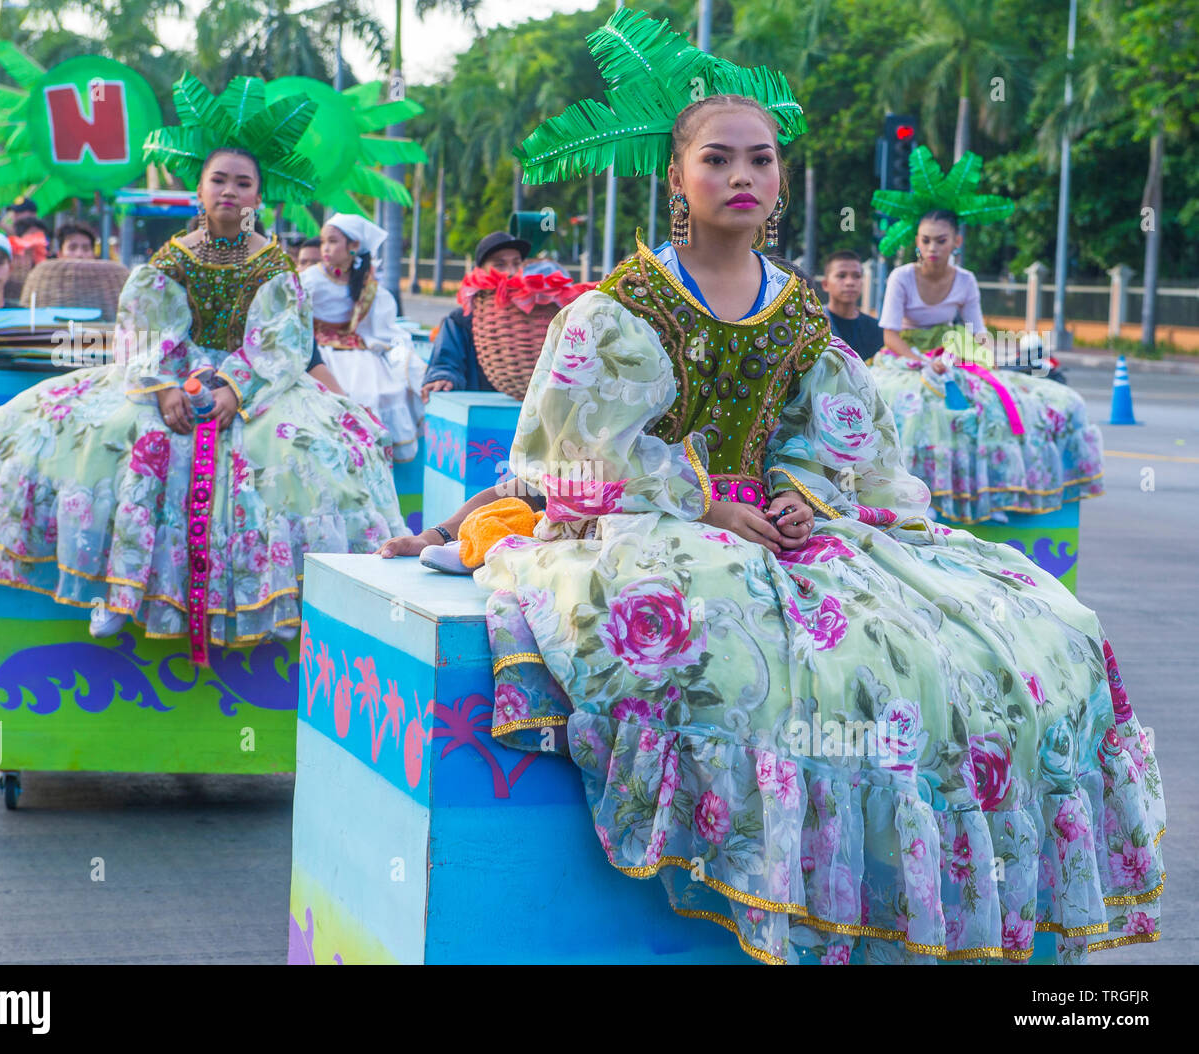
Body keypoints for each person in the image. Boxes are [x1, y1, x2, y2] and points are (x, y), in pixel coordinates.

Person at [378, 35, 1162, 964]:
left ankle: (907, 898)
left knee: (996, 636)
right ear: (679, 178)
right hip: (653, 521)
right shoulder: (622, 306)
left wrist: (799, 493)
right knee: (730, 649)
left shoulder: (798, 309)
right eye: (717, 159)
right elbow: (582, 454)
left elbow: (830, 436)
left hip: (787, 523)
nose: (742, 175)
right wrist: (707, 507)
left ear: (781, 183)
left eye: (762, 159)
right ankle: (751, 866)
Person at [0, 146, 405, 655]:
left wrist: (236, 388)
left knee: (301, 453)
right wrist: (165, 386)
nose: (229, 191)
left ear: (258, 195)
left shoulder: (276, 264)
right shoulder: (173, 256)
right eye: (219, 180)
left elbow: (281, 341)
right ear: (200, 190)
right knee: (111, 437)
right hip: (173, 374)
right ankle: (118, 590)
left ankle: (275, 597)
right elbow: (147, 328)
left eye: (242, 182)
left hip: (258, 382)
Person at [873, 210, 1103, 524]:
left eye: (941, 241)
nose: (933, 248)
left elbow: (977, 334)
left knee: (989, 402)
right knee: (921, 404)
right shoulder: (901, 277)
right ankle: (921, 498)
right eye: (926, 240)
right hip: (906, 356)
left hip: (952, 351)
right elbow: (890, 335)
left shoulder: (966, 280)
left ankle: (992, 497)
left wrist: (976, 363)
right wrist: (925, 363)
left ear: (957, 241)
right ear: (917, 242)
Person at [302, 214, 423, 460]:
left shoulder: (367, 286)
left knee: (378, 392)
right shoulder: (310, 279)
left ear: (354, 246)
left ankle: (370, 453)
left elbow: (379, 329)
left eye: (333, 242)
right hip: (319, 353)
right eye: (324, 241)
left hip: (356, 353)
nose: (325, 248)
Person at [419, 231, 529, 402]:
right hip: (480, 413)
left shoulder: (537, 317)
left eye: (517, 263)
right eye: (500, 264)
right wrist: (442, 378)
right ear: (480, 272)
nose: (511, 272)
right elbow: (445, 362)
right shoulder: (460, 320)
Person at [820, 250, 881, 361]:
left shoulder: (876, 329)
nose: (850, 282)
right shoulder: (815, 325)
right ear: (825, 284)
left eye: (856, 276)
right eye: (841, 276)